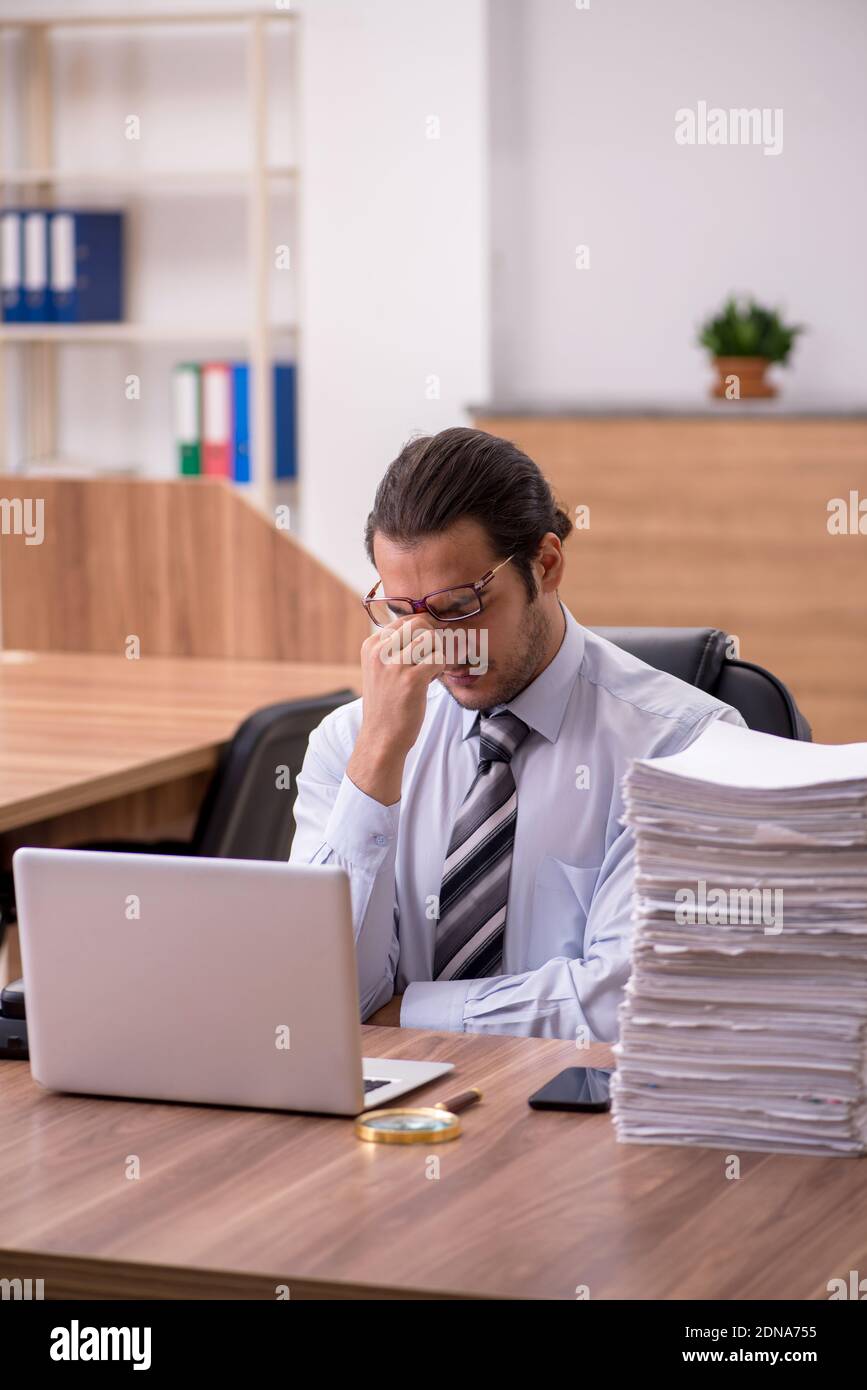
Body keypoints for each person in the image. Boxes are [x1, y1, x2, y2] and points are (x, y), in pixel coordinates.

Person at [290, 427, 745, 1040]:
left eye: (457, 607)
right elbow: (318, 994)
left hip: (579, 1113)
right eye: (401, 612)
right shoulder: (350, 745)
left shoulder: (686, 746)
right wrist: (376, 763)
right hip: (394, 1108)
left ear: (547, 565)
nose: (431, 644)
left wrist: (414, 1013)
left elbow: (631, 999)